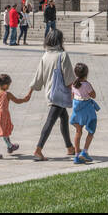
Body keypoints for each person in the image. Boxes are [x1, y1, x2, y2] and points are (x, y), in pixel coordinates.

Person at [23, 29, 76, 162]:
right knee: (50, 121)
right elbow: (69, 77)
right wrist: (75, 93)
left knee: (64, 117)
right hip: (60, 94)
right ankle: (38, 149)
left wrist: (30, 92)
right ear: (59, 40)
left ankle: (69, 147)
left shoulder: (45, 55)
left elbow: (38, 77)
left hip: (50, 94)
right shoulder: (62, 55)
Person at [0, 73, 26, 159]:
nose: (9, 87)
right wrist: (24, 100)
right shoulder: (7, 94)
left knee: (1, 131)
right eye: (8, 85)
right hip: (3, 115)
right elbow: (17, 101)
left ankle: (10, 146)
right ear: (4, 85)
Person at [69, 62, 100, 164]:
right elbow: (93, 95)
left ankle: (77, 155)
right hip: (87, 111)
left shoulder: (73, 84)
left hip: (77, 110)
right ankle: (85, 151)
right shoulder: (87, 84)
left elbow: (72, 96)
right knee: (91, 131)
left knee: (78, 132)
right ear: (86, 73)